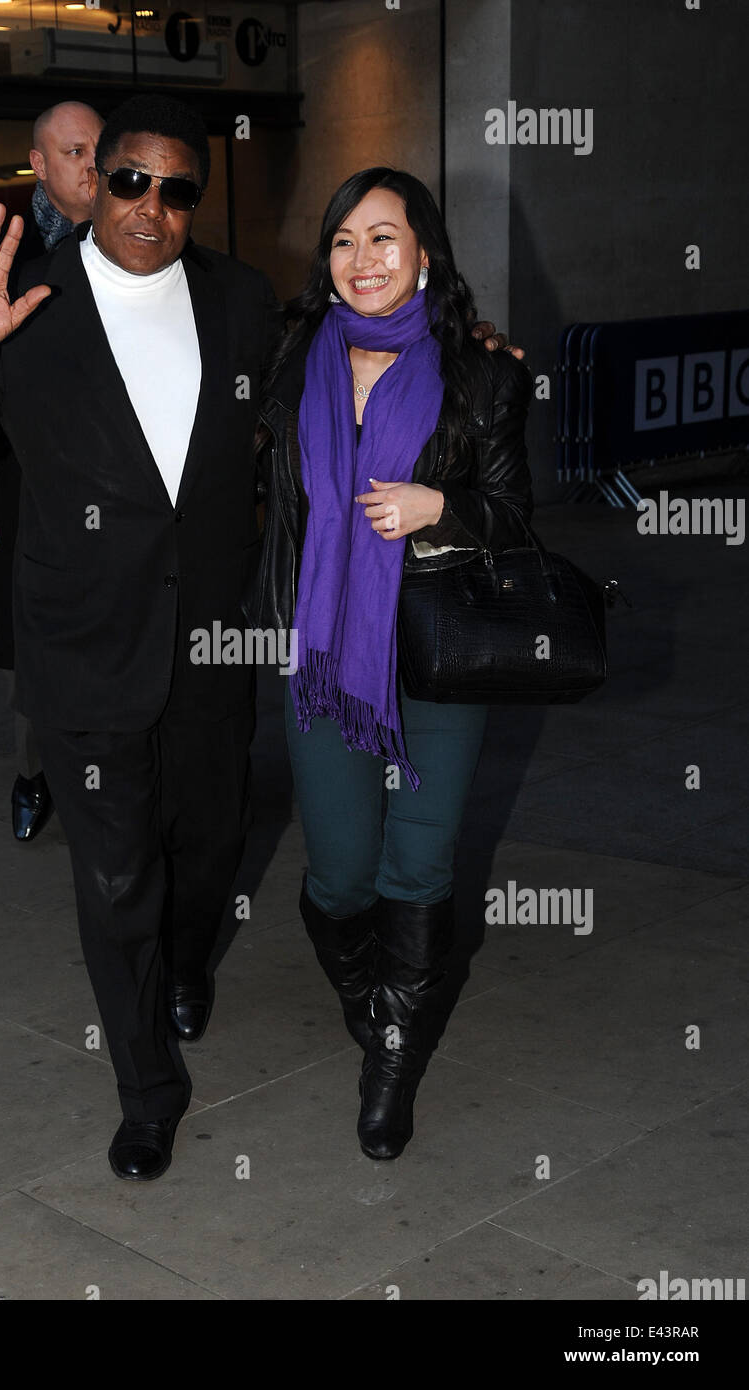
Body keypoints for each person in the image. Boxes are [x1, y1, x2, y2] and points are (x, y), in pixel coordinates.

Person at [0, 95, 280, 1181]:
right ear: (92, 182)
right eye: (129, 181)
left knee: (209, 843)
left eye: (177, 188)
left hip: (210, 642)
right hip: (84, 643)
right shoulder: (29, 300)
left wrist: (465, 346)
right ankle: (146, 1088)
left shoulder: (244, 299)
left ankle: (186, 965)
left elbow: (315, 391)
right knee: (114, 879)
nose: (151, 207)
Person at [246, 167, 533, 1161]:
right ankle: (375, 997)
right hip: (322, 652)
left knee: (419, 862)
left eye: (383, 238)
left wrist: (438, 507)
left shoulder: (484, 375)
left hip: (436, 652)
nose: (361, 259)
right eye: (342, 241)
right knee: (335, 877)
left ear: (423, 254)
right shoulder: (291, 355)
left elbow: (513, 518)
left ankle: (389, 1069)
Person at [0, 101, 104, 843]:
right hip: (27, 494)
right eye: (74, 151)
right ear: (37, 163)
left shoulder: (139, 239)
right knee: (31, 655)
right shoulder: (3, 252)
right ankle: (34, 774)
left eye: (100, 149)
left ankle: (111, 779)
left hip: (121, 495)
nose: (92, 165)